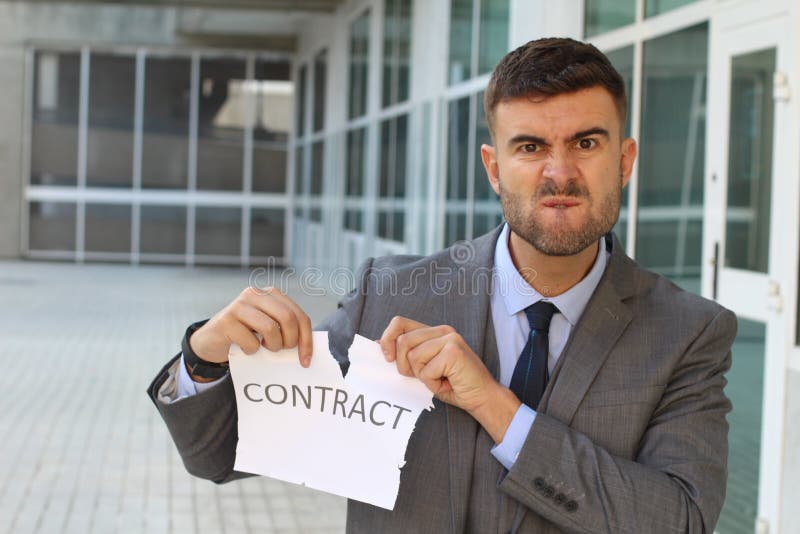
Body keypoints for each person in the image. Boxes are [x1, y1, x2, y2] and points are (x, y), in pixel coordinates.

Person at [148, 37, 736, 533]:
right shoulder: (393, 296)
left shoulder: (688, 333)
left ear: (626, 160)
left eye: (586, 143)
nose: (559, 172)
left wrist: (496, 405)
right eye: (530, 147)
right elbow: (221, 455)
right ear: (494, 167)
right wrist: (204, 361)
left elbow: (681, 519)